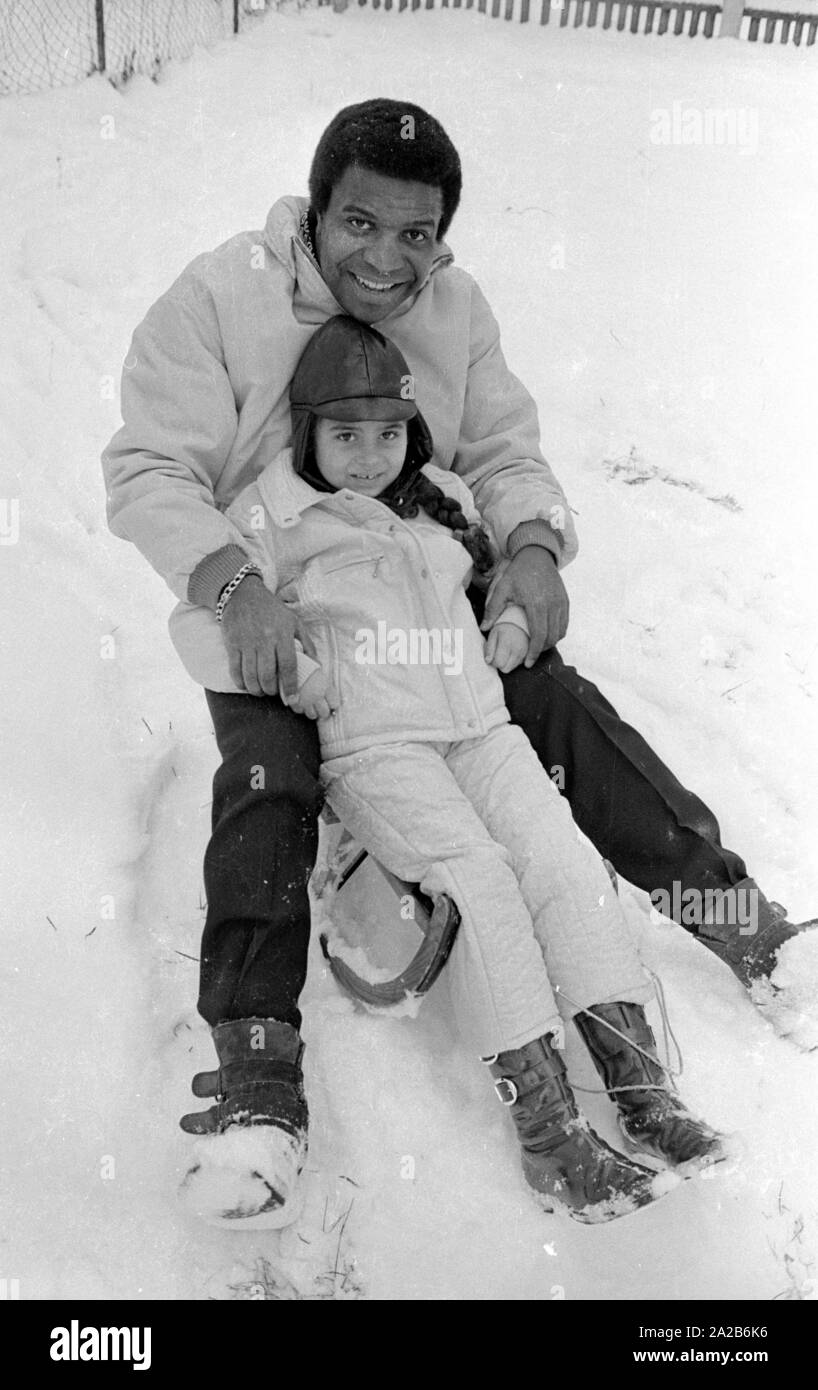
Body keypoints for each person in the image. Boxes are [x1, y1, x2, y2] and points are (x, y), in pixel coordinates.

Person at [101, 98, 810, 1209]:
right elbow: (147, 470)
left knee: (558, 712)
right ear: (314, 209)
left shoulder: (455, 311)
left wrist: (528, 546)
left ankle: (740, 923)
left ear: (443, 237)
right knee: (268, 778)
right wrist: (232, 586)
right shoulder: (219, 299)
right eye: (359, 224)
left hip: (428, 591)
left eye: (416, 234)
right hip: (280, 598)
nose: (386, 258)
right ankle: (256, 1085)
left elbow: (503, 449)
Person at [170, 315, 729, 1228]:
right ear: (305, 428)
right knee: (483, 885)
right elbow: (201, 621)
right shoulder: (267, 519)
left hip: (480, 728)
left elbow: (487, 578)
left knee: (567, 869)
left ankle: (643, 1093)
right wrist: (291, 667)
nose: (366, 455)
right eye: (343, 436)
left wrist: (505, 623)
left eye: (386, 434)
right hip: (377, 748)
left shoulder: (437, 498)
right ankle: (551, 1137)